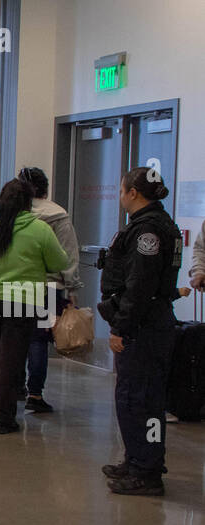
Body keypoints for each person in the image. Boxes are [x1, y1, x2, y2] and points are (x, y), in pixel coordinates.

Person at [99, 166, 183, 496]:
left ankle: (147, 470)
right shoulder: (160, 224)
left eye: (121, 190)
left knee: (141, 400)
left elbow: (140, 286)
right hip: (150, 323)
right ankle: (137, 459)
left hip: (144, 327)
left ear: (133, 193)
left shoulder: (148, 232)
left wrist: (122, 326)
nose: (120, 196)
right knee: (136, 398)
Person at [0, 179, 69, 434]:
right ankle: (1, 418)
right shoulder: (39, 229)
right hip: (23, 301)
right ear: (28, 202)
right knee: (10, 360)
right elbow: (59, 262)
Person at [16, 167, 82, 413]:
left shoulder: (13, 214)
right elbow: (68, 254)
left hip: (16, 286)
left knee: (12, 338)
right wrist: (72, 286)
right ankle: (35, 393)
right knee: (38, 340)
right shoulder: (58, 216)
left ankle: (13, 386)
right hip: (49, 288)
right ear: (46, 189)